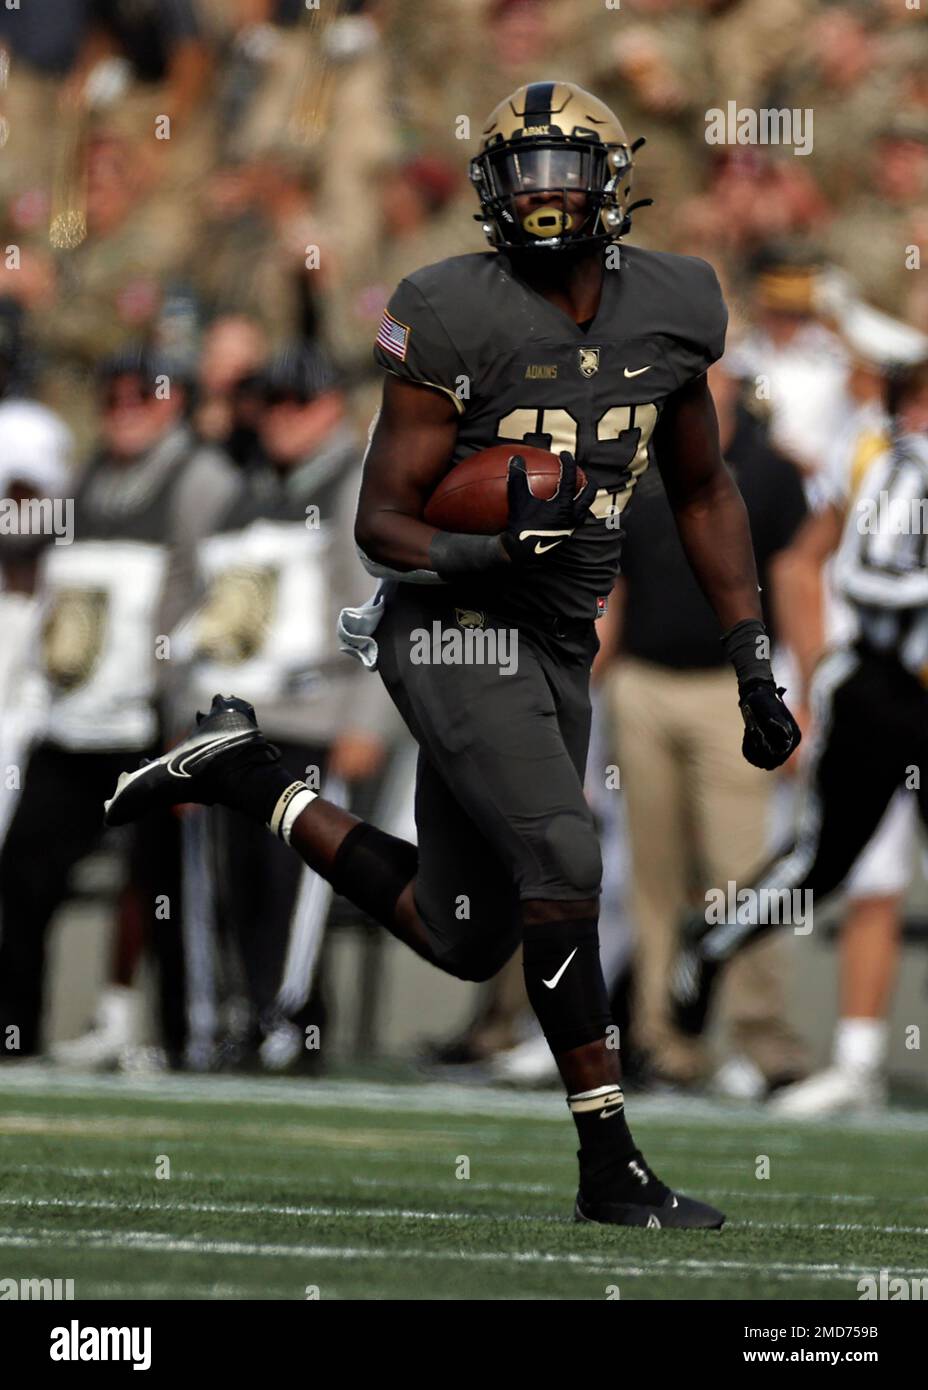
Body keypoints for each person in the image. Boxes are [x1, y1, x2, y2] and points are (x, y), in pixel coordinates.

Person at [103, 82, 800, 1229]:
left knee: (468, 930)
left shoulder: (677, 301)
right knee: (567, 851)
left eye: (562, 171)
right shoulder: (440, 308)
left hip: (559, 634)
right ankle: (608, 1167)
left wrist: (751, 662)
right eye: (520, 172)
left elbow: (705, 488)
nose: (542, 195)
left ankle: (248, 775)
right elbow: (382, 521)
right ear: (488, 190)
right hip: (447, 616)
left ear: (610, 182)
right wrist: (488, 544)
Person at [670, 355, 928, 1117]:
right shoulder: (894, 461)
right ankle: (712, 943)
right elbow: (861, 572)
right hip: (884, 693)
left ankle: (855, 1059)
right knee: (822, 865)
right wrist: (814, 679)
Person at [0, 348, 240, 1065]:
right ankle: (14, 1030)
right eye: (112, 394)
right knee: (21, 877)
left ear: (176, 401)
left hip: (150, 723)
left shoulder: (199, 480)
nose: (124, 407)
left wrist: (191, 720)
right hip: (75, 722)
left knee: (167, 889)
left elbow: (215, 598)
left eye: (143, 394)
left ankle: (183, 1037)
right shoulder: (86, 478)